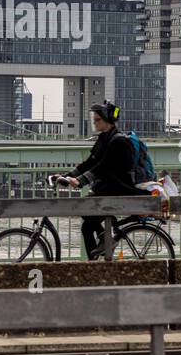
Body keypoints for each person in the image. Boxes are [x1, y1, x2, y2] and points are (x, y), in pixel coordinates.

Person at [61, 101, 148, 258]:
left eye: (97, 119)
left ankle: (106, 242)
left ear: (107, 119)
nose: (94, 122)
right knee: (87, 226)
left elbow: (103, 167)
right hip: (109, 189)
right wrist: (67, 176)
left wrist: (80, 181)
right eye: (93, 119)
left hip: (122, 191)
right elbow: (90, 162)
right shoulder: (103, 139)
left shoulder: (118, 141)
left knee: (84, 208)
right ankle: (95, 261)